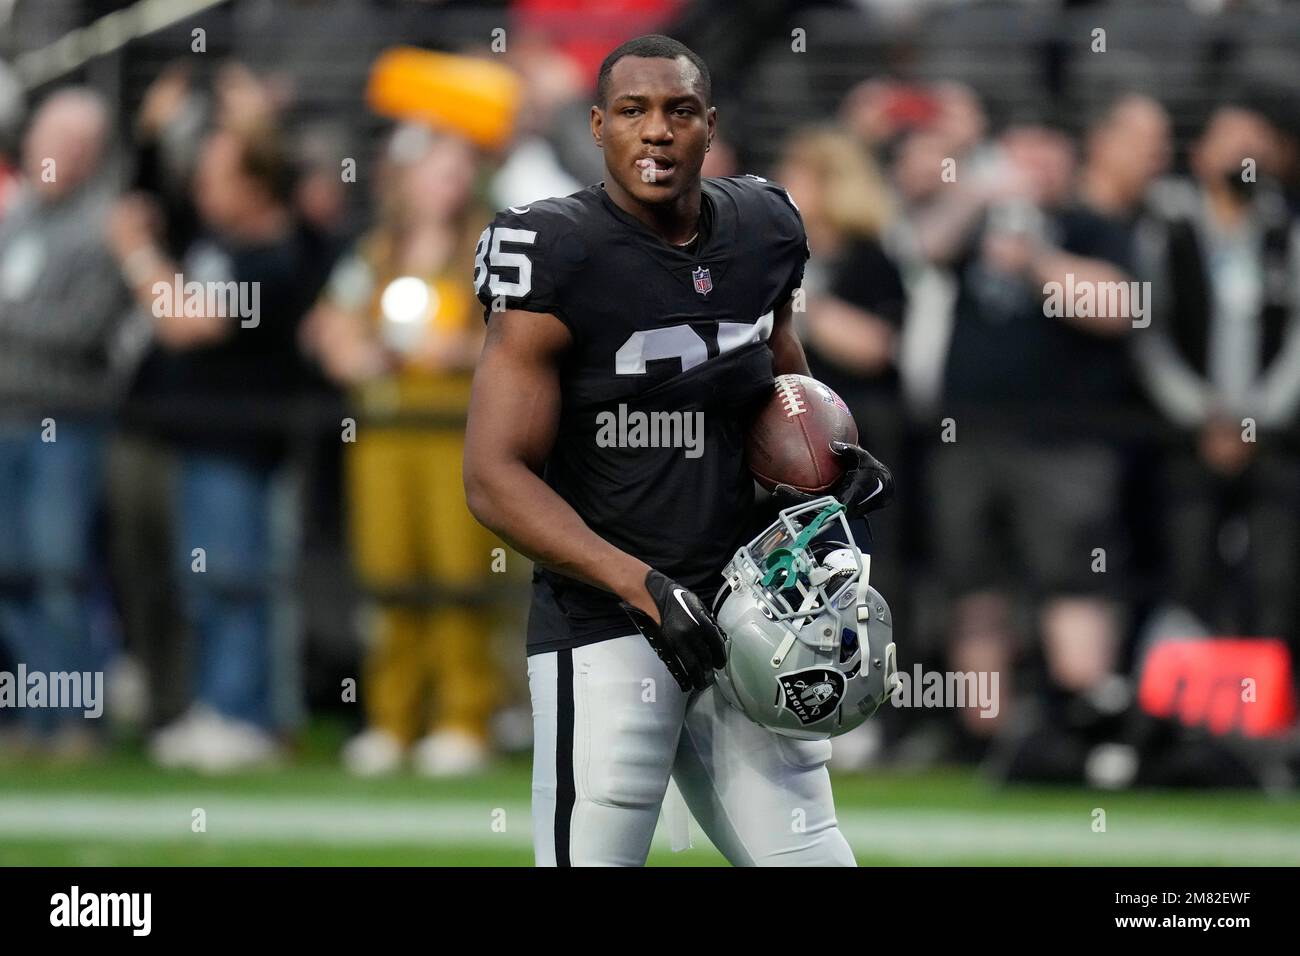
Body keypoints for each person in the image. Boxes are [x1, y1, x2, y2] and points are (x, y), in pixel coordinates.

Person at [462, 35, 892, 867]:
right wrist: (643, 585)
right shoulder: (552, 251)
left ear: (709, 126)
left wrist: (828, 461)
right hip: (609, 617)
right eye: (633, 111)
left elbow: (781, 379)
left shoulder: (766, 226)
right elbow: (492, 476)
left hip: (747, 605)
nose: (656, 131)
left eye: (678, 111)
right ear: (596, 126)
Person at [108, 122, 327, 771]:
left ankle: (242, 715)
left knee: (235, 582)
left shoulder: (272, 257)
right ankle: (218, 705)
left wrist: (134, 254)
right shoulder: (221, 241)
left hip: (241, 444)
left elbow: (184, 323)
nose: (202, 191)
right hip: (198, 440)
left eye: (218, 179)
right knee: (206, 584)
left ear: (257, 188)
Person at [305, 126, 500, 777]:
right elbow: (326, 323)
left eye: (458, 170)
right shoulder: (376, 250)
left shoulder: (488, 251)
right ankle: (391, 718)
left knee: (458, 575)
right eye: (436, 170)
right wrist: (352, 352)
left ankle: (463, 718)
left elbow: (525, 339)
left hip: (453, 429)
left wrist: (460, 352)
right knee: (389, 572)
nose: (449, 182)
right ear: (406, 178)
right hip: (384, 431)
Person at [0, 88, 139, 755]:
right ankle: (37, 712)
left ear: (90, 153)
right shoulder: (15, 217)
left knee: (62, 572)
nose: (49, 154)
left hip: (64, 423)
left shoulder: (105, 226)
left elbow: (83, 329)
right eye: (45, 138)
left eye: (68, 143)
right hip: (4, 420)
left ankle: (82, 718)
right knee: (12, 572)